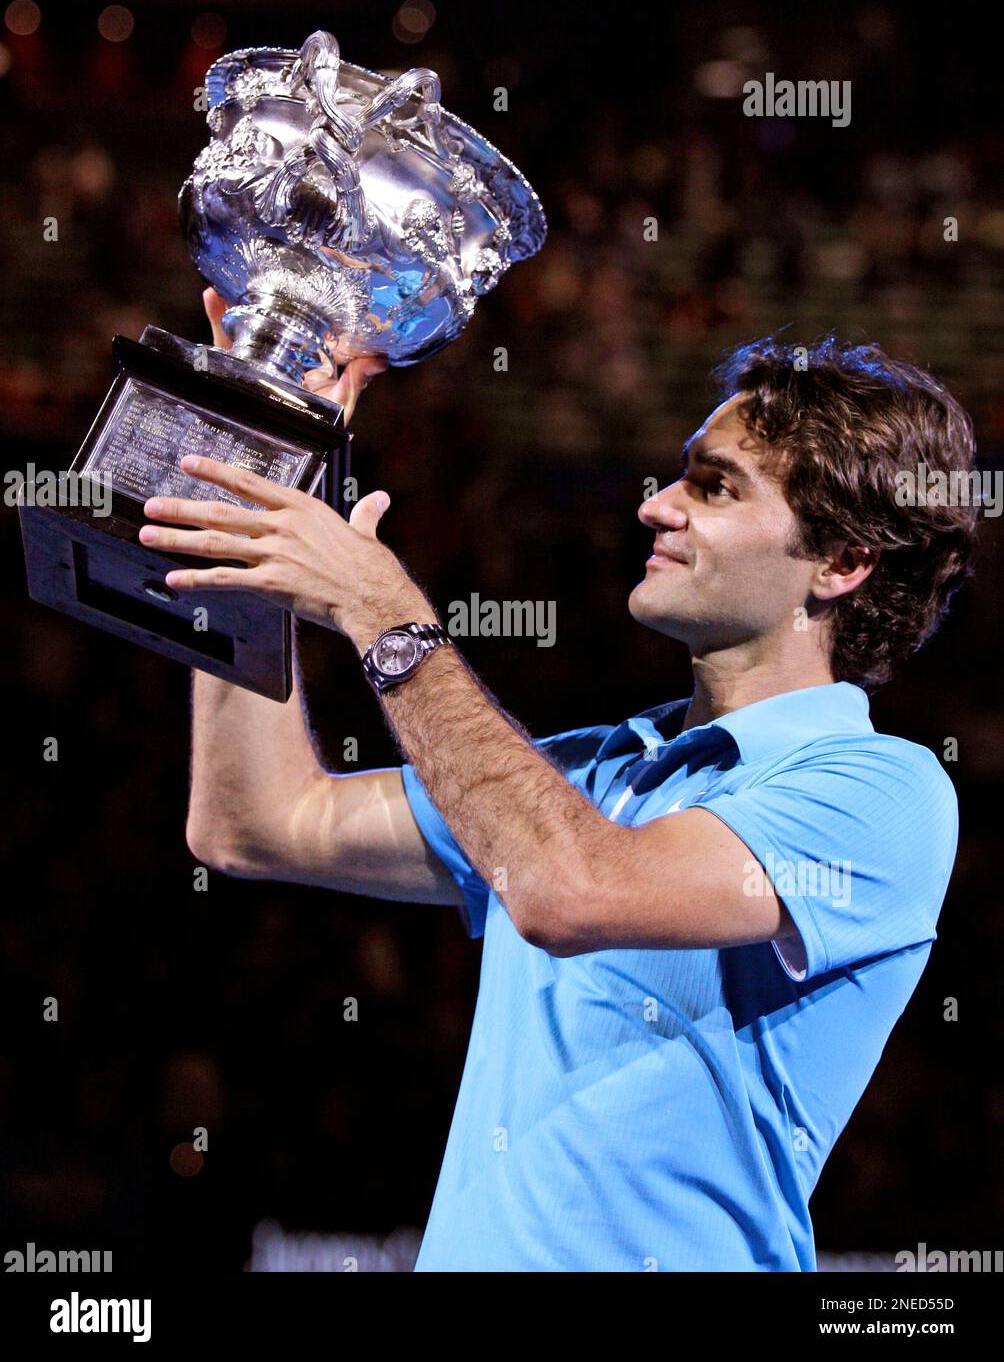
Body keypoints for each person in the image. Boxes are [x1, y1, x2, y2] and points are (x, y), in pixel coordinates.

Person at [165, 288, 978, 1271]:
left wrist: (383, 611)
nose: (656, 505)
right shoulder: (588, 772)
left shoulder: (880, 792)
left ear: (841, 561)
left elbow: (569, 888)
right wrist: (254, 507)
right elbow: (254, 821)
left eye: (714, 488)